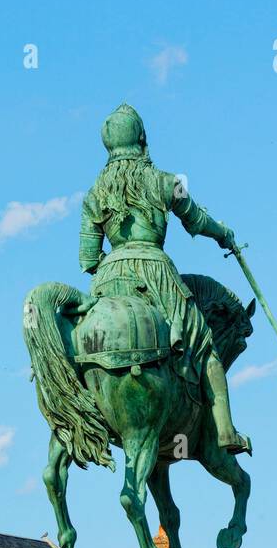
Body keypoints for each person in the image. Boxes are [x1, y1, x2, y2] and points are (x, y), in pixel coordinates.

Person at [78, 102, 249, 455]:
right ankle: (226, 431)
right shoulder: (167, 182)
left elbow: (88, 259)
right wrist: (225, 235)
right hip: (157, 273)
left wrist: (113, 272)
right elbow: (198, 220)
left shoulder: (94, 195)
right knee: (205, 346)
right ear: (142, 138)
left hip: (108, 281)